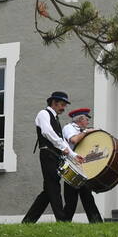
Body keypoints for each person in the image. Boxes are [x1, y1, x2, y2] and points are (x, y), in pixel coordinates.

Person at [23, 91, 81, 224]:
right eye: (62, 104)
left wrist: (74, 155)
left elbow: (61, 139)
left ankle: (28, 221)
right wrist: (63, 148)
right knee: (54, 186)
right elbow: (47, 132)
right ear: (54, 103)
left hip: (54, 155)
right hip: (48, 154)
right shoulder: (43, 114)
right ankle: (62, 220)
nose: (64, 108)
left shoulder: (55, 118)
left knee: (48, 191)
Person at [61, 107, 103, 224]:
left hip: (81, 168)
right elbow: (73, 140)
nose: (88, 122)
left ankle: (96, 222)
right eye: (86, 119)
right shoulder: (69, 128)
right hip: (71, 167)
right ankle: (64, 222)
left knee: (87, 196)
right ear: (80, 119)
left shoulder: (82, 130)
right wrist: (85, 132)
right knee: (71, 200)